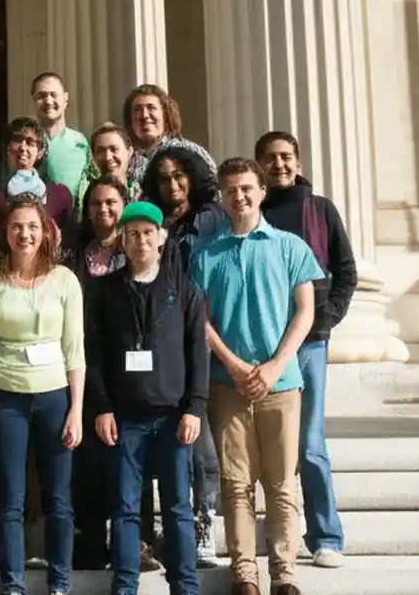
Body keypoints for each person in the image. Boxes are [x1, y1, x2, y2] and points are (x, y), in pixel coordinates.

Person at [190, 157, 324, 595]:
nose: (239, 196)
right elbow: (201, 322)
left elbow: (305, 312)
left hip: (281, 385)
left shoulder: (290, 246)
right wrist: (232, 363)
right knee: (235, 484)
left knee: (283, 484)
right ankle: (244, 572)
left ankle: (284, 573)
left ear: (262, 191)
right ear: (222, 197)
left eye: (247, 188)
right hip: (227, 385)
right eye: (231, 190)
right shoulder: (205, 253)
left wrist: (275, 365)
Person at [86, 201, 208, 595]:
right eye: (133, 233)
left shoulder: (184, 291)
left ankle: (185, 586)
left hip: (173, 416)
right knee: (124, 509)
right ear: (122, 240)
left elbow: (197, 354)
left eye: (148, 233)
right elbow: (95, 355)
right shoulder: (105, 291)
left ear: (161, 238)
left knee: (177, 509)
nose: (141, 240)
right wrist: (102, 407)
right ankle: (124, 586)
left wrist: (195, 408)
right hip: (125, 418)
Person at [0, 195, 86, 595]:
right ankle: (13, 583)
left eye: (33, 227)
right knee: (11, 498)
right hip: (7, 397)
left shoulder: (65, 280)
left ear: (46, 232)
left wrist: (77, 411)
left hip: (55, 396)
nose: (25, 234)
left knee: (58, 498)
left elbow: (76, 350)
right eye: (17, 226)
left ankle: (60, 581)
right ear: (6, 231)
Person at [256, 131, 358, 569]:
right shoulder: (253, 211)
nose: (279, 165)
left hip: (310, 342)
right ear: (260, 166)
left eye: (286, 157)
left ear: (297, 162)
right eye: (270, 159)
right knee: (269, 445)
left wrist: (327, 317)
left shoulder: (321, 210)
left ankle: (325, 535)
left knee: (310, 443)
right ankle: (279, 532)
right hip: (264, 344)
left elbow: (346, 271)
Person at [140, 144, 225, 566]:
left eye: (179, 176)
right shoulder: (149, 223)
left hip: (198, 335)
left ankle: (205, 525)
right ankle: (166, 530)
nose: (172, 185)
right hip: (159, 342)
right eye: (163, 178)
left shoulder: (209, 221)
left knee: (201, 444)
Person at [69, 172, 127, 569]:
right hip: (85, 365)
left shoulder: (139, 249)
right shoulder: (75, 255)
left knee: (128, 462)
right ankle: (90, 543)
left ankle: (131, 544)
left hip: (131, 370)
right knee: (87, 464)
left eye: (110, 203)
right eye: (96, 204)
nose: (103, 209)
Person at [0, 117, 75, 279]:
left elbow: (71, 245)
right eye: (17, 141)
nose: (23, 148)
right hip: (9, 279)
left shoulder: (60, 195)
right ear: (7, 148)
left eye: (30, 142)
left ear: (41, 152)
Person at [121, 85, 215, 201]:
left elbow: (213, 191)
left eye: (151, 108)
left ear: (165, 114)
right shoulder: (124, 159)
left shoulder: (188, 151)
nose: (144, 115)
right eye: (137, 109)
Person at [32, 72, 90, 203]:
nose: (48, 101)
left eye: (53, 95)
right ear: (34, 100)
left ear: (65, 98)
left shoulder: (80, 143)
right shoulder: (24, 143)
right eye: (41, 96)